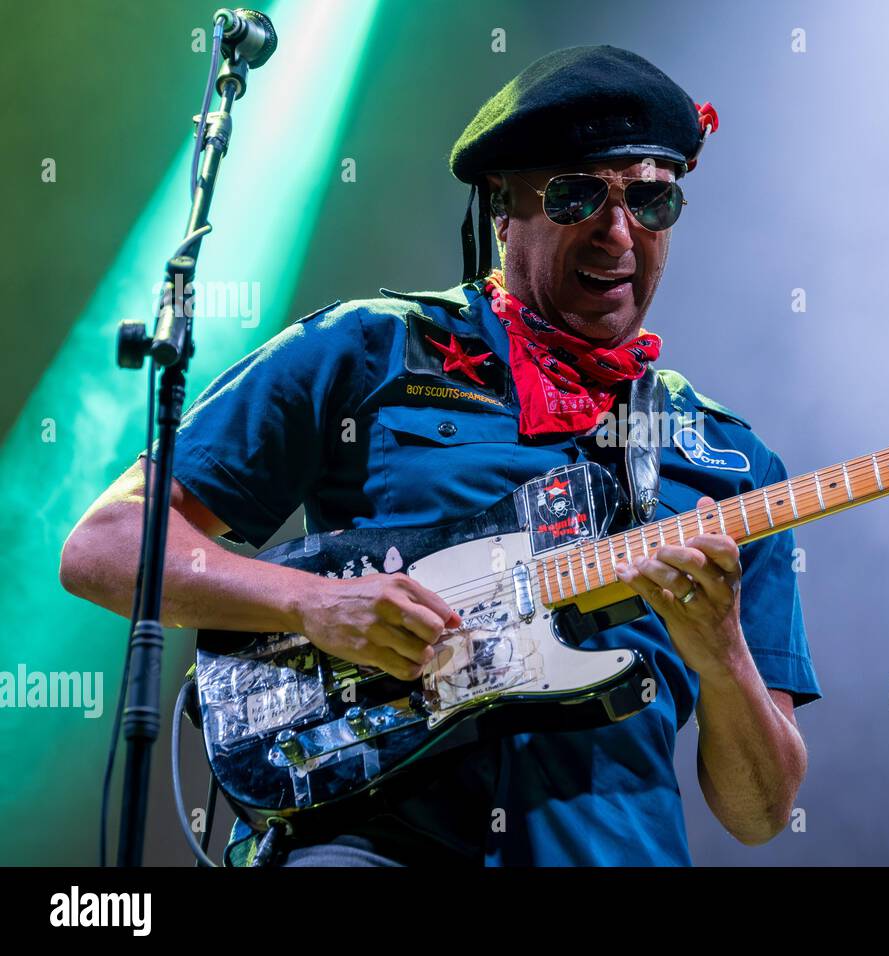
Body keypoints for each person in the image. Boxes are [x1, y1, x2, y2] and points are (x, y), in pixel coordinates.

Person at [59, 44, 821, 866]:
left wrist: (722, 653)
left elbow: (759, 814)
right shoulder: (369, 350)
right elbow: (106, 546)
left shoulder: (733, 464)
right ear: (503, 209)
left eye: (651, 200)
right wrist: (308, 605)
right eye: (577, 195)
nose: (617, 230)